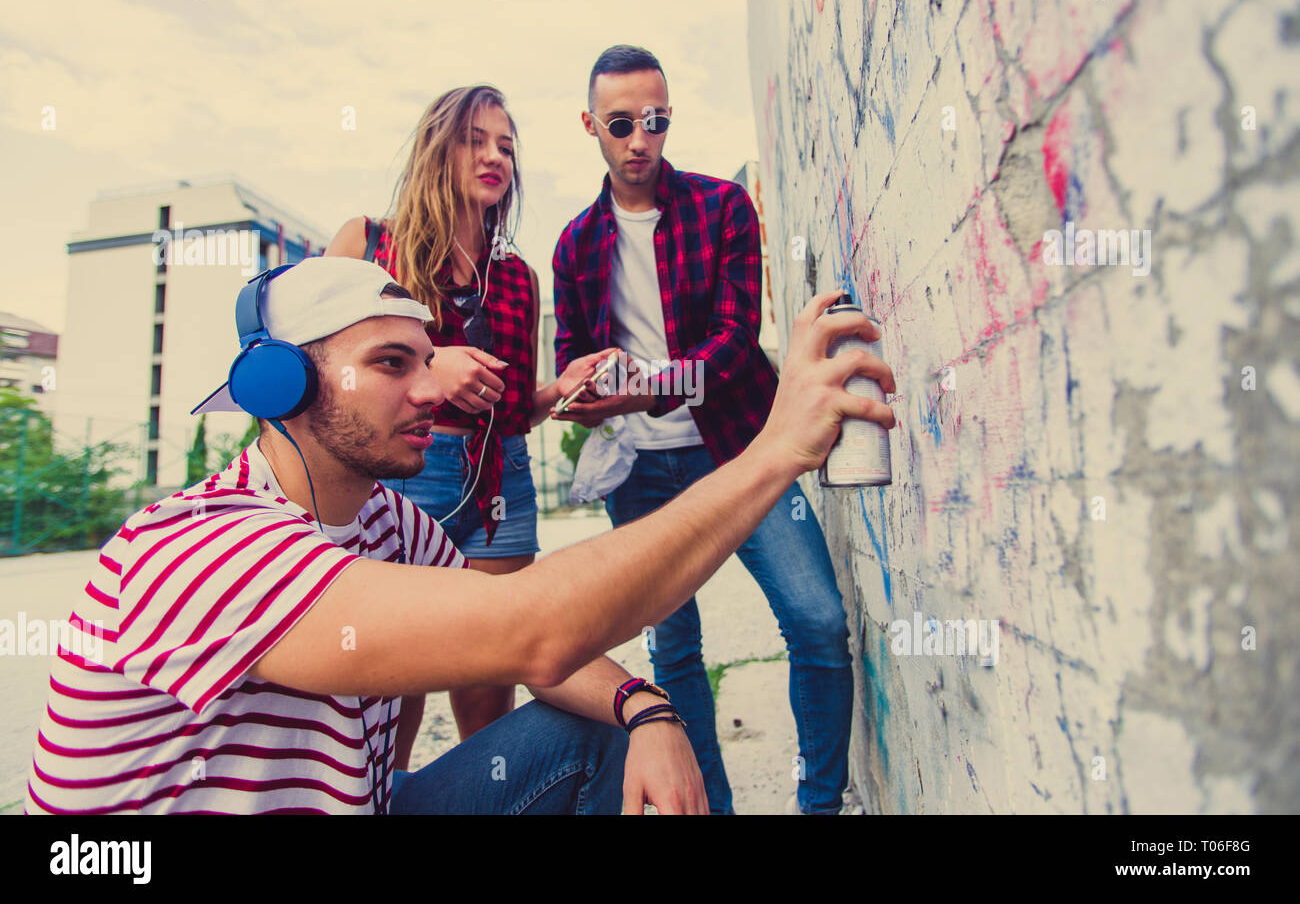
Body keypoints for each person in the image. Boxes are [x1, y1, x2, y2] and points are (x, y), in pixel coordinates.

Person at [24, 257, 895, 815]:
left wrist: (649, 708)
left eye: (426, 359)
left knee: (596, 736)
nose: (431, 389)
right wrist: (776, 448)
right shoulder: (201, 549)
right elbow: (534, 623)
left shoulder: (390, 521)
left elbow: (529, 646)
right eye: (392, 364)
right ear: (278, 384)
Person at [551, 44, 861, 814]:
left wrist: (645, 391)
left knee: (819, 622)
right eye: (620, 123)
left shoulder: (722, 207)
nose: (639, 140)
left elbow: (731, 343)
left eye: (654, 120)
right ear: (590, 124)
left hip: (740, 451)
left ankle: (819, 804)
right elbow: (571, 359)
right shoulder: (573, 244)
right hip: (640, 477)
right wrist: (583, 393)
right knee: (675, 650)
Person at [324, 85, 615, 740]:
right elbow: (316, 365)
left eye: (506, 147)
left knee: (489, 690)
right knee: (393, 693)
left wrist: (561, 387)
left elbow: (515, 410)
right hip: (399, 477)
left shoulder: (518, 276)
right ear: (438, 148)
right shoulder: (368, 244)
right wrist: (429, 369)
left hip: (498, 484)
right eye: (475, 140)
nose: (495, 157)